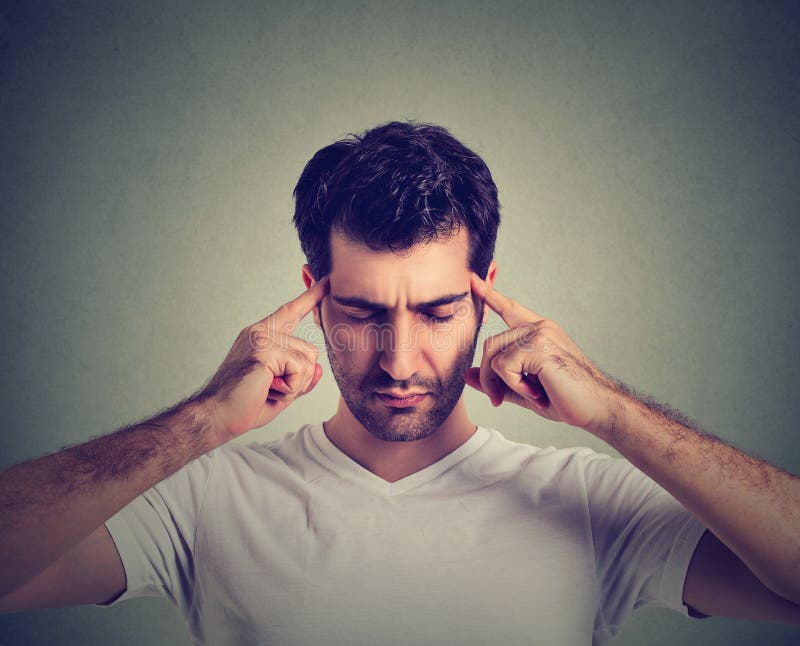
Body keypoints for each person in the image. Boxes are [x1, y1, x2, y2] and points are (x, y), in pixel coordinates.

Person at [0, 121, 798, 645]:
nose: (401, 360)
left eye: (441, 311)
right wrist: (202, 421)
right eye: (361, 312)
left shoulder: (585, 502)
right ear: (311, 293)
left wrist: (617, 415)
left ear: (489, 290)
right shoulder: (207, 498)